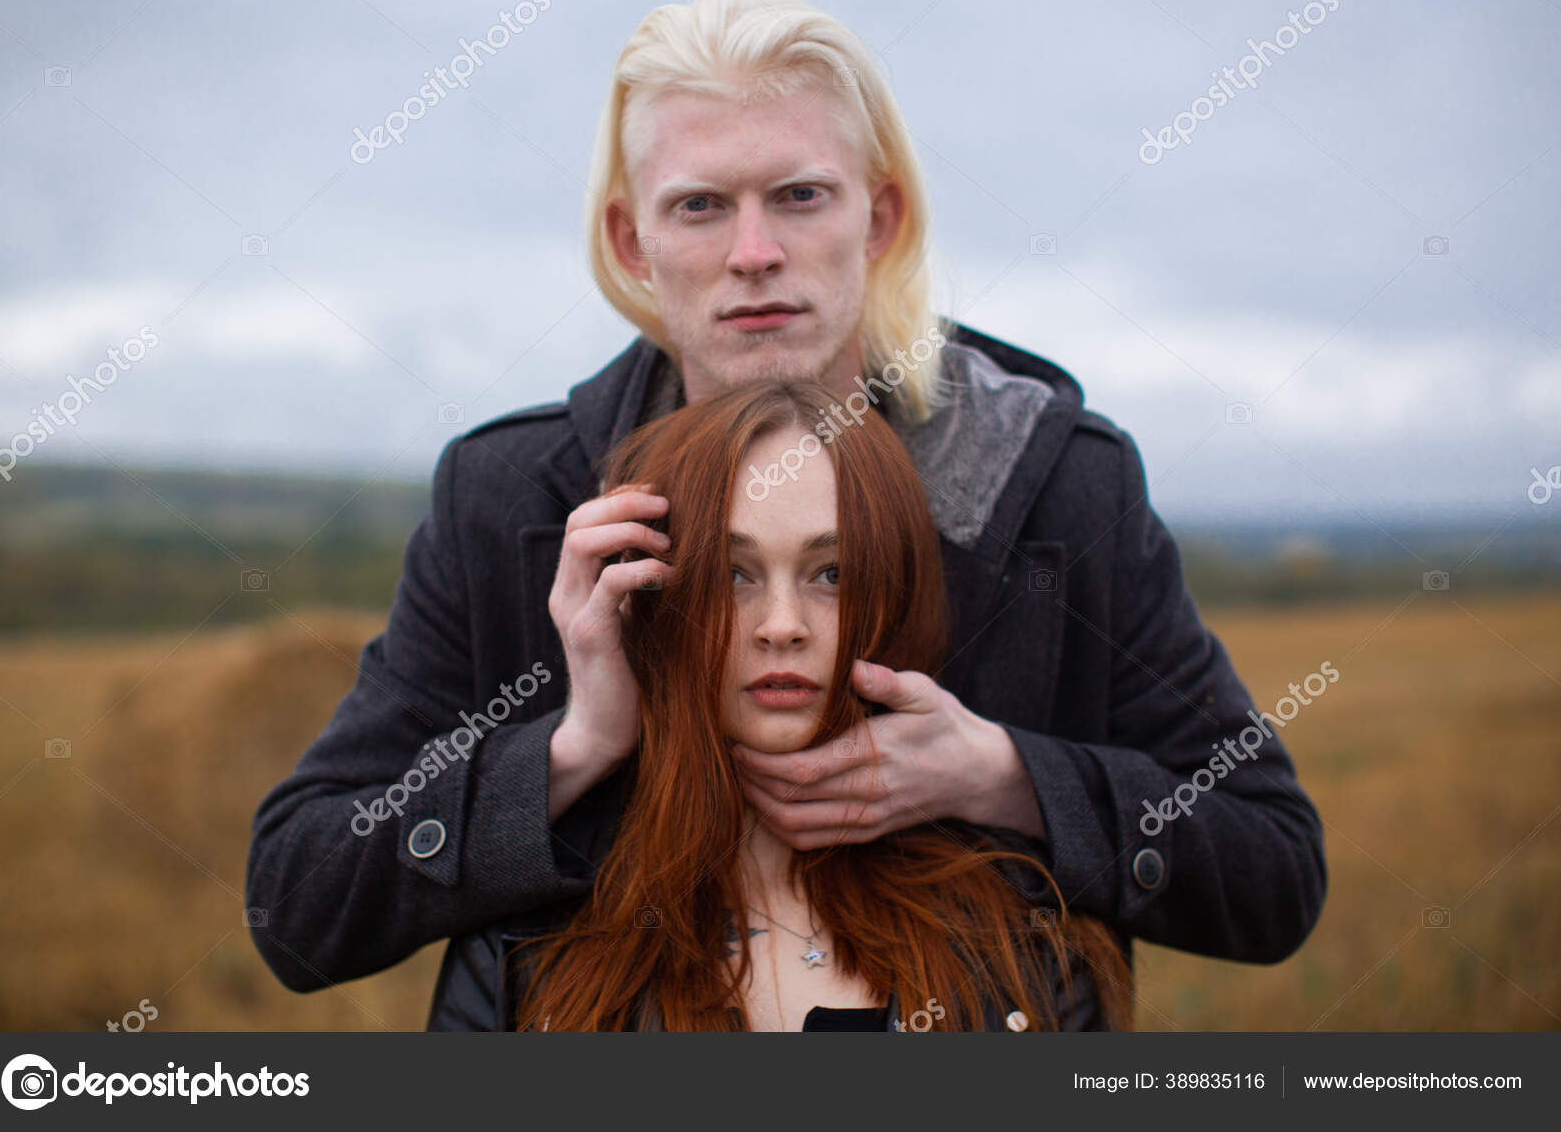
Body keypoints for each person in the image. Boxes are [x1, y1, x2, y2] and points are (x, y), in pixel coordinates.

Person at [246, 0, 1325, 1007]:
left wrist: (1000, 777)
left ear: (880, 218)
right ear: (632, 241)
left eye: (800, 196)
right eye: (701, 206)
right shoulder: (510, 498)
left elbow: (1271, 870)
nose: (753, 253)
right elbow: (296, 907)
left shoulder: (1060, 486)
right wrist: (569, 754)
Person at [428, 379, 1133, 1031]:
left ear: (894, 595)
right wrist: (585, 738)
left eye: (831, 572)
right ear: (650, 602)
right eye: (733, 574)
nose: (783, 623)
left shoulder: (1025, 947)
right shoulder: (524, 948)